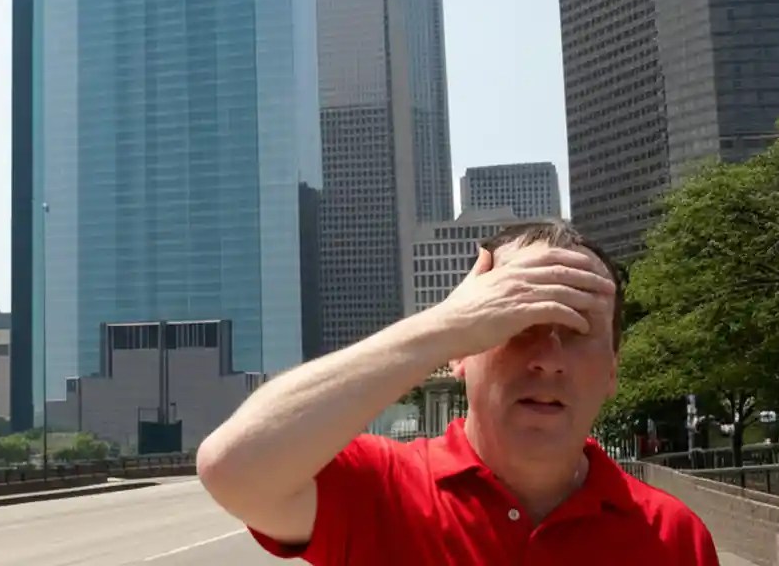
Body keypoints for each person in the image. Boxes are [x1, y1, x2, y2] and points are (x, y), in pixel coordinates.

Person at [197, 220, 719, 565]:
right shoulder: (382, 488)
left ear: (612, 371)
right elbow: (233, 468)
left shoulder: (673, 537)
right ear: (462, 350)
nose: (547, 358)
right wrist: (443, 324)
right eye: (517, 320)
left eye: (579, 328)